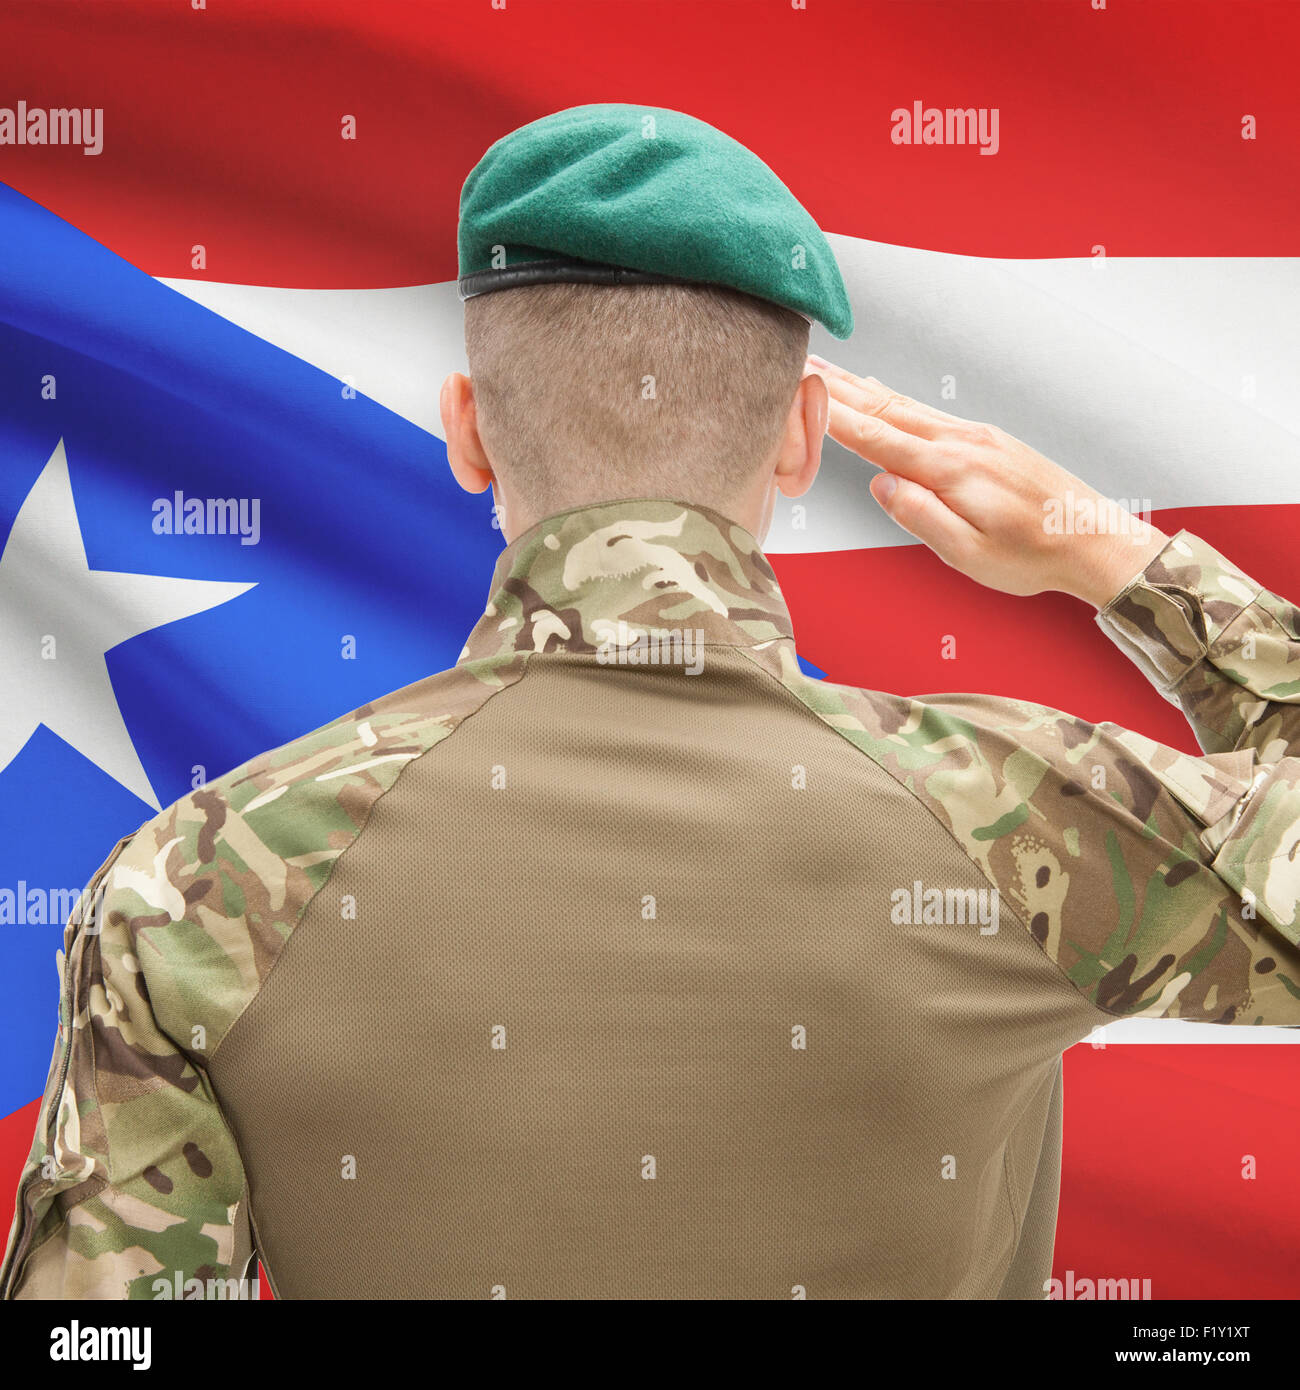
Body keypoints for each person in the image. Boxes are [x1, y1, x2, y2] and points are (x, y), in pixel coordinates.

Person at [3, 104, 1296, 1301]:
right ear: (801, 436)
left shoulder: (199, 881)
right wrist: (1118, 560)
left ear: (468, 431)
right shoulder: (1022, 818)